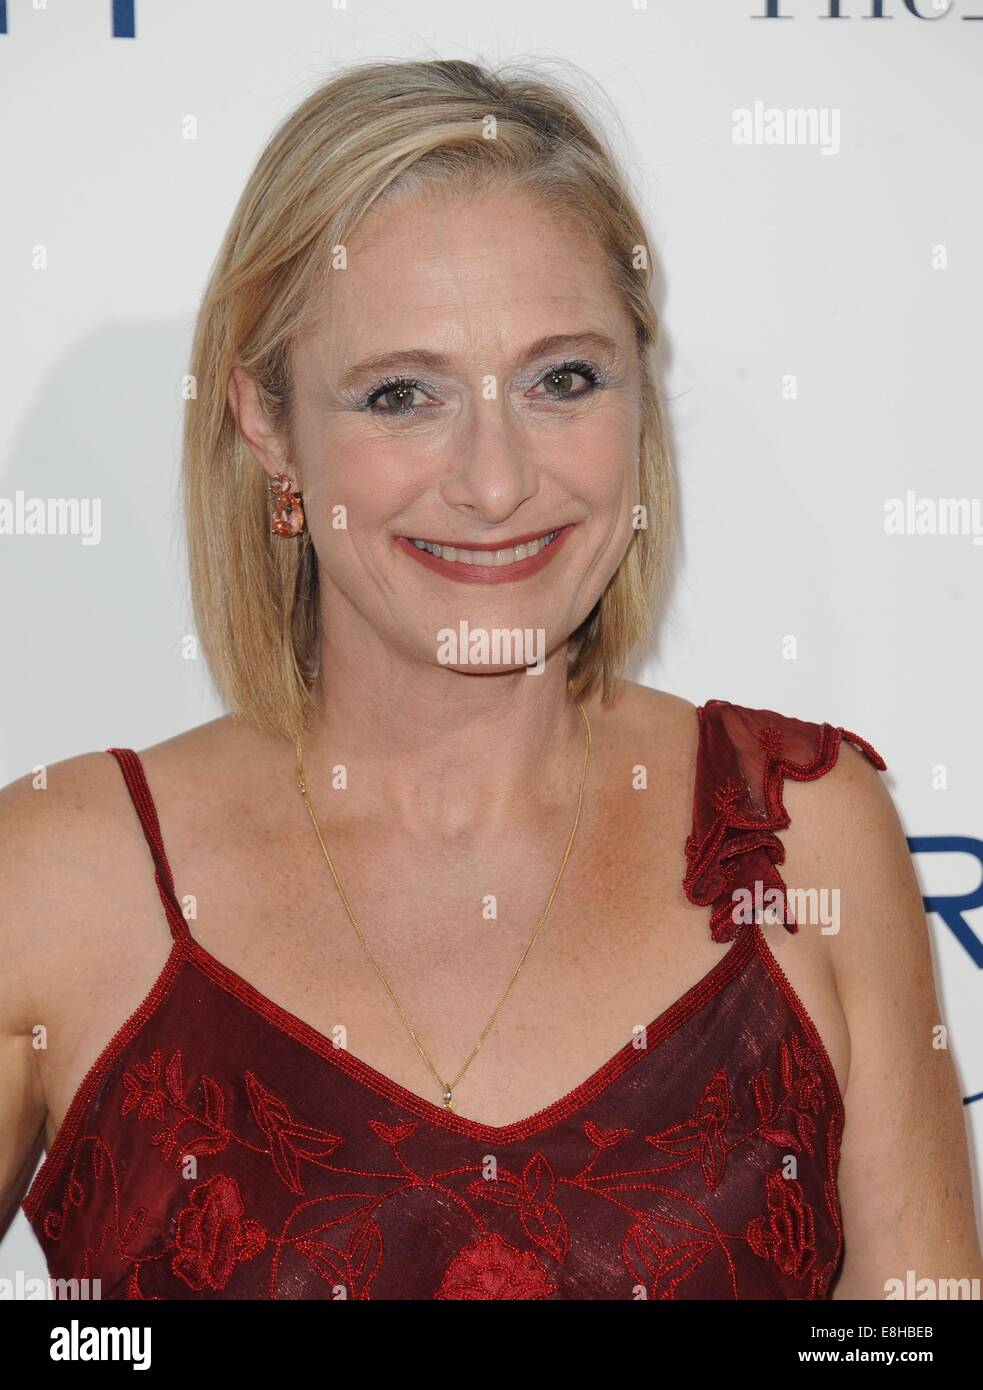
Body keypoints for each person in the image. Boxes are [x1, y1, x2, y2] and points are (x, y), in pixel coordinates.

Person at [1, 57, 979, 1301]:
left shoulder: (804, 833)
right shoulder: (55, 877)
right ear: (265, 423)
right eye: (401, 395)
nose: (497, 480)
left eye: (560, 378)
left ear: (639, 392)